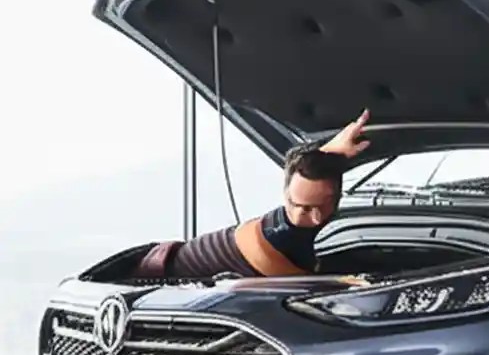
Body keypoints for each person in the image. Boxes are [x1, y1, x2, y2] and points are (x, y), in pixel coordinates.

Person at [133, 109, 372, 279]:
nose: (317, 218)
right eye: (304, 207)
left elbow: (303, 177)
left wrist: (328, 152)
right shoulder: (273, 239)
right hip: (150, 272)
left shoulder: (307, 208)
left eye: (325, 204)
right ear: (285, 195)